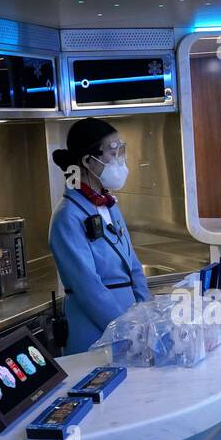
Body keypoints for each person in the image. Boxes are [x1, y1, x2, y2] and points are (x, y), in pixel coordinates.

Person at [49, 118, 151, 354]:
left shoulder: (109, 205)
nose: (120, 160)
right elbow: (88, 288)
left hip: (132, 328)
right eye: (113, 152)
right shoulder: (67, 217)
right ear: (88, 161)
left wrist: (147, 314)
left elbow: (133, 264)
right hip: (97, 332)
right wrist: (126, 331)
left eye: (121, 150)